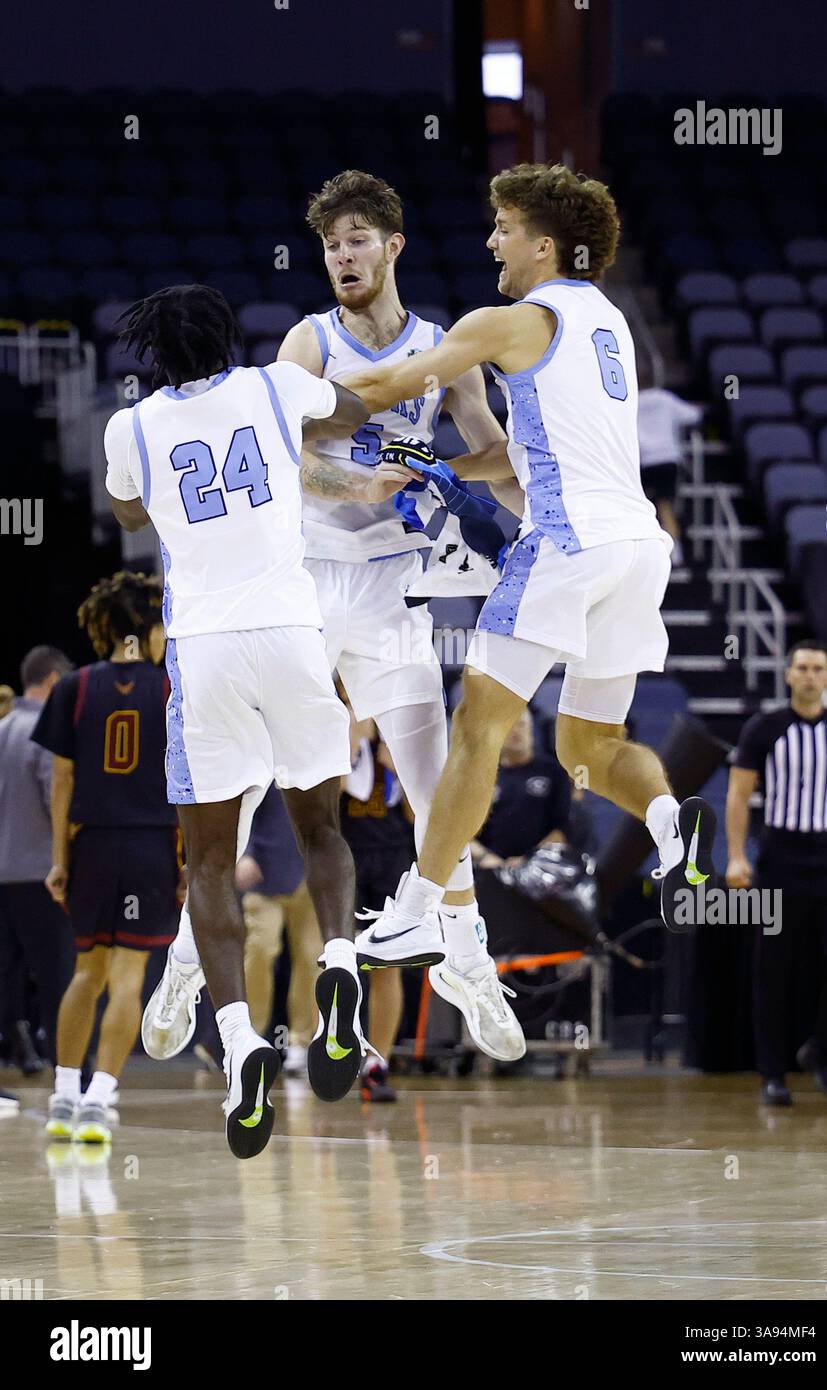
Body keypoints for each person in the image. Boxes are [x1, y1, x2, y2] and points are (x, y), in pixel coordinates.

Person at [337, 163, 717, 1028]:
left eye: (503, 227)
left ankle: (416, 910)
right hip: (637, 548)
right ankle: (671, 823)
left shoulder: (512, 319)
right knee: (588, 748)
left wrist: (282, 399)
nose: (491, 241)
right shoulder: (607, 323)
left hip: (568, 544)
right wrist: (433, 466)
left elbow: (401, 381)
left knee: (478, 725)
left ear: (542, 244)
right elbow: (517, 456)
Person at [104, 284, 408, 1157]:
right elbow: (350, 409)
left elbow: (128, 508)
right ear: (228, 337)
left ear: (154, 353)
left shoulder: (133, 426)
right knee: (322, 829)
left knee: (207, 858)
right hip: (291, 631)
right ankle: (341, 968)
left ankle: (241, 1043)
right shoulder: (277, 385)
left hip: (204, 650)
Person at [276, 169, 525, 1064]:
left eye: (356, 239)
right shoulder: (309, 344)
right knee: (266, 776)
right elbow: (281, 449)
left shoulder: (440, 347)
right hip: (303, 577)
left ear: (393, 246)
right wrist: (363, 479)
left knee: (435, 787)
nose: (342, 255)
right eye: (330, 243)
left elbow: (493, 452)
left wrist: (451, 475)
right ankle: (196, 958)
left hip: (389, 583)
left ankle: (469, 957)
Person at [33, 575, 180, 1144]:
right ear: (146, 628)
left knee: (85, 973)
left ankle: (64, 1097)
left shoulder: (75, 687)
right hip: (151, 847)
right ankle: (100, 1100)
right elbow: (185, 784)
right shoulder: (171, 689)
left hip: (91, 845)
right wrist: (189, 862)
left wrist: (59, 858)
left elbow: (61, 782)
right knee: (127, 980)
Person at [726, 641, 827, 1106]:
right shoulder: (765, 728)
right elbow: (738, 794)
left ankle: (822, 1044)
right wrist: (735, 855)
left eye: (817, 669)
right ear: (788, 675)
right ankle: (772, 1072)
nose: (809, 675)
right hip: (780, 854)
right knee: (774, 965)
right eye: (801, 668)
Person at [0, 645, 74, 1073]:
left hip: (3, 874)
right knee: (56, 978)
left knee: (7, 976)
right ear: (52, 682)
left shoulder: (4, 725)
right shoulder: (46, 732)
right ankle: (69, 1069)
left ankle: (15, 1048)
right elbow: (56, 802)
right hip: (39, 873)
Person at [341, 706, 415, 1102]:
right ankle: (334, 1049)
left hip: (392, 857)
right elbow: (322, 795)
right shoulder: (333, 724)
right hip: (344, 855)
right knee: (337, 960)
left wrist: (400, 767)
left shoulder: (398, 734)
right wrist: (352, 741)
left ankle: (377, 1061)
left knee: (387, 966)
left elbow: (421, 814)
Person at [234, 782, 320, 1072]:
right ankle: (251, 1038)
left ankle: (300, 1042)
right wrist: (243, 853)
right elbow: (237, 806)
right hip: (262, 869)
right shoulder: (259, 752)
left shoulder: (317, 752)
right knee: (260, 949)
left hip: (309, 869)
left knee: (312, 957)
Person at [471, 707, 574, 870]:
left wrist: (530, 860)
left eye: (521, 725)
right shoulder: (483, 776)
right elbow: (464, 835)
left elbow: (566, 825)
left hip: (541, 867)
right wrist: (486, 857)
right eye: (509, 726)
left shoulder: (553, 771)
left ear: (531, 729)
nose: (516, 731)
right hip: (491, 869)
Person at [637, 386, 702, 566]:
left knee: (642, 508)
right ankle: (676, 553)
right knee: (665, 505)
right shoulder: (664, 398)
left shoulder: (630, 399)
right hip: (666, 460)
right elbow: (693, 415)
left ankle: (651, 552)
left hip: (643, 461)